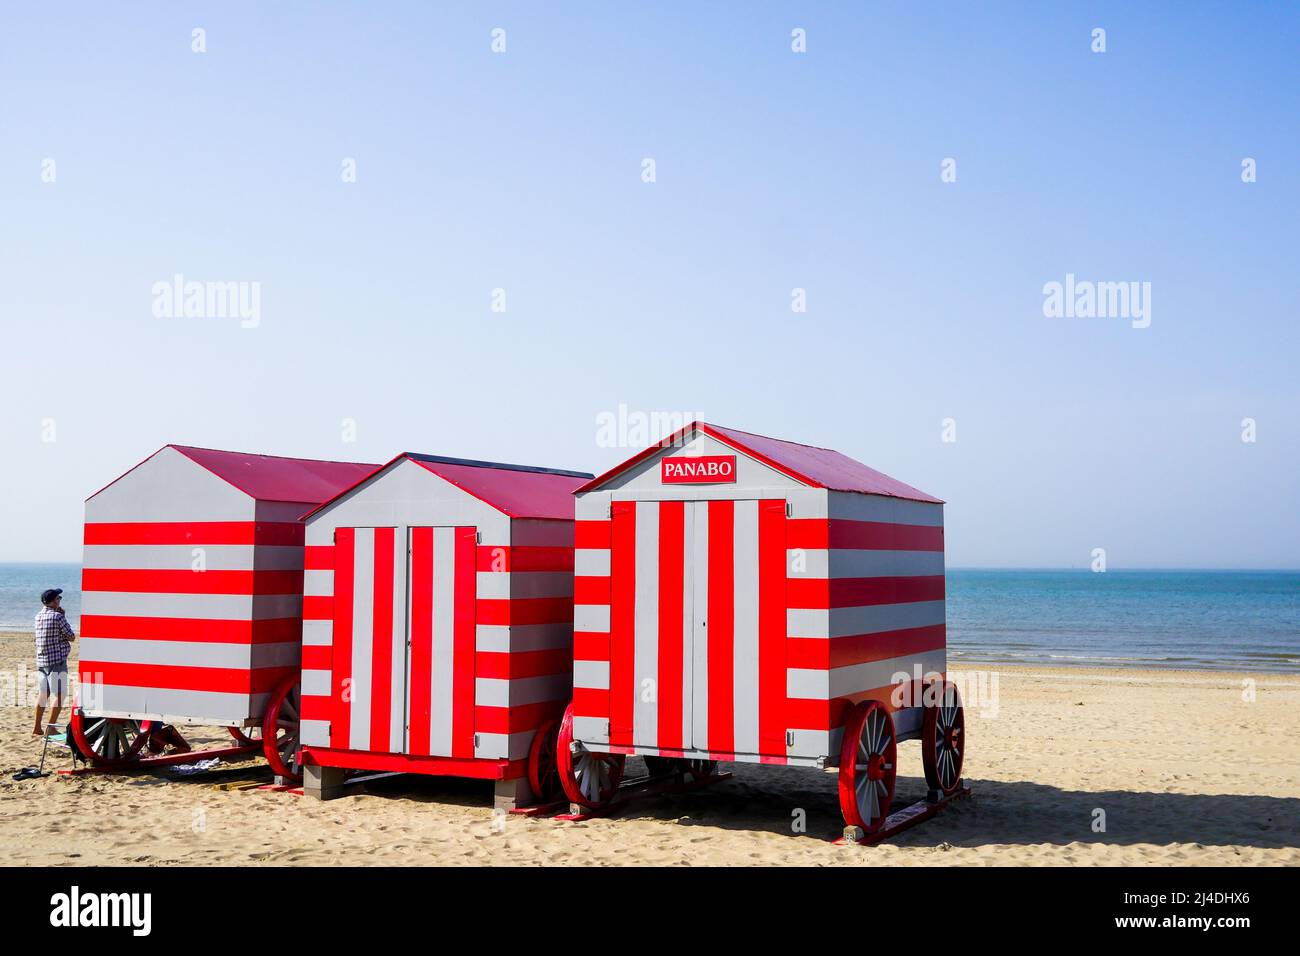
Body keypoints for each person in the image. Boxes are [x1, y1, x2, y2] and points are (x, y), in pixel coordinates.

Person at [33, 588, 75, 737]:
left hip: (42, 661)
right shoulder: (58, 617)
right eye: (59, 598)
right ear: (53, 601)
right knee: (60, 694)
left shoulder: (38, 616)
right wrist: (63, 616)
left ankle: (37, 727)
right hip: (56, 661)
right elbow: (71, 636)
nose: (60, 600)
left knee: (43, 694)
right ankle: (50, 727)